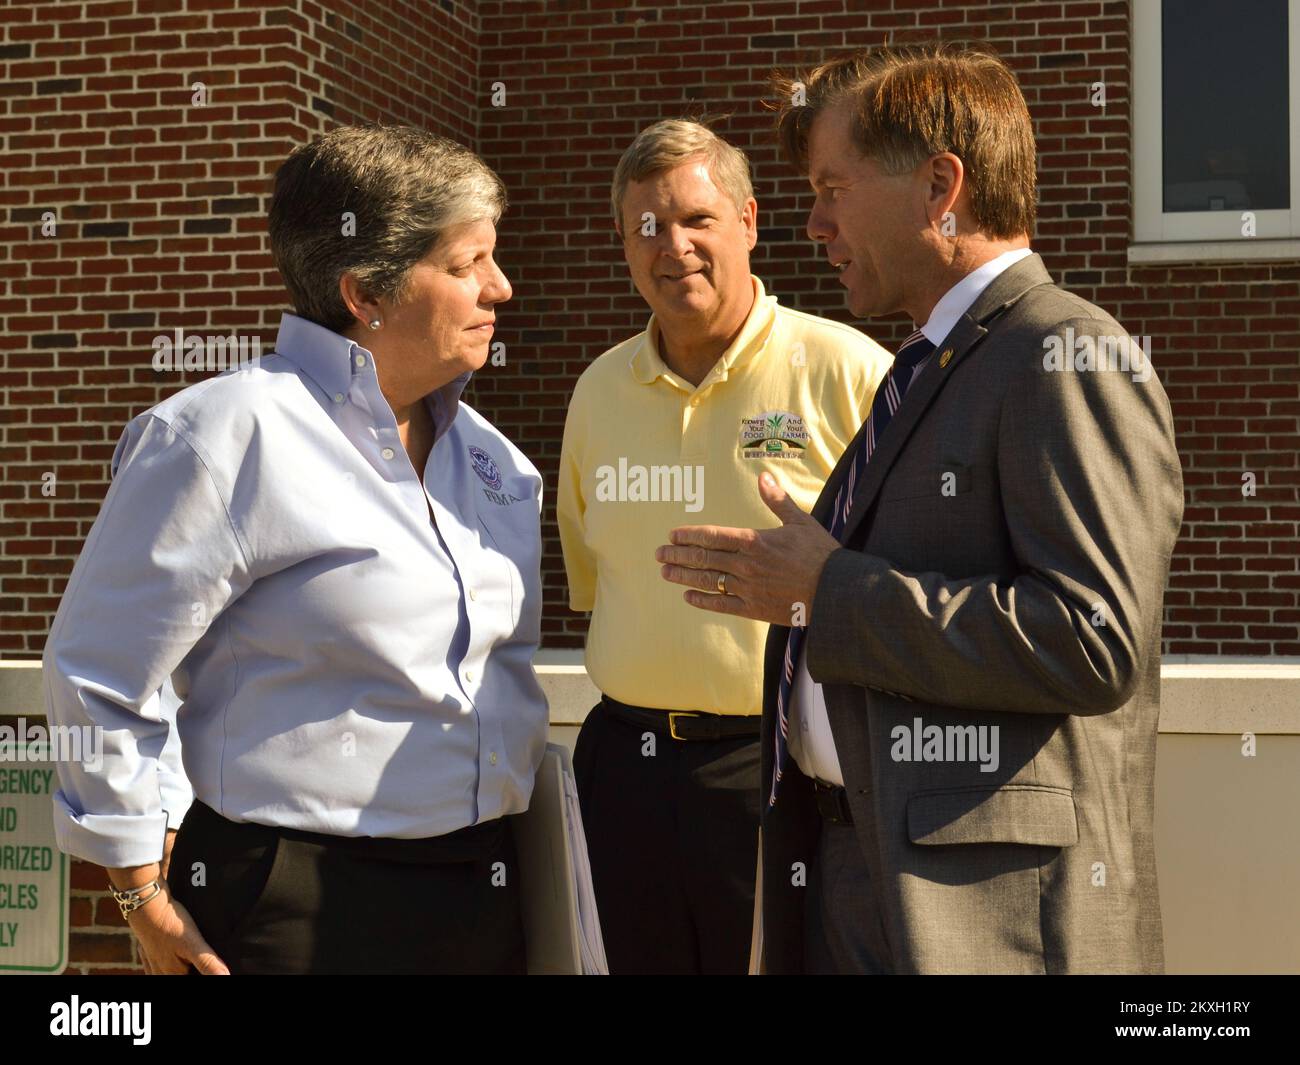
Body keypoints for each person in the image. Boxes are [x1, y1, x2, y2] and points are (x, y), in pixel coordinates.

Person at [656, 43, 1183, 974]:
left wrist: (829, 589)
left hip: (982, 917)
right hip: (858, 876)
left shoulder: (1065, 353)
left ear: (941, 186)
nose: (813, 222)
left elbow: (1093, 637)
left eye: (833, 187)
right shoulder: (930, 367)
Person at [42, 124, 548, 975]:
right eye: (466, 265)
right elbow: (97, 670)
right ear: (365, 292)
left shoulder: (496, 462)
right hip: (290, 896)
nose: (500, 286)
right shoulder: (221, 436)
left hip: (483, 890)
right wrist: (139, 892)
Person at [557, 119, 891, 973]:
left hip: (778, 777)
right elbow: (598, 590)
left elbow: (903, 581)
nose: (673, 247)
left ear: (748, 221)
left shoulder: (850, 370)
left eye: (697, 219)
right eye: (646, 227)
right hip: (622, 776)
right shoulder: (596, 393)